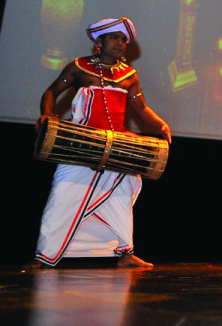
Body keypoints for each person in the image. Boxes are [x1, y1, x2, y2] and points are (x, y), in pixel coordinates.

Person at [31, 17, 171, 268]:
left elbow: (141, 108)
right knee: (62, 195)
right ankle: (44, 257)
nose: (120, 43)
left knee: (121, 196)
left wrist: (161, 124)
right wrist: (46, 112)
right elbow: (51, 92)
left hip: (116, 146)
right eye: (115, 37)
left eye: (124, 40)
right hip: (82, 144)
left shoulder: (129, 76)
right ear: (100, 41)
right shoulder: (78, 67)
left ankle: (125, 254)